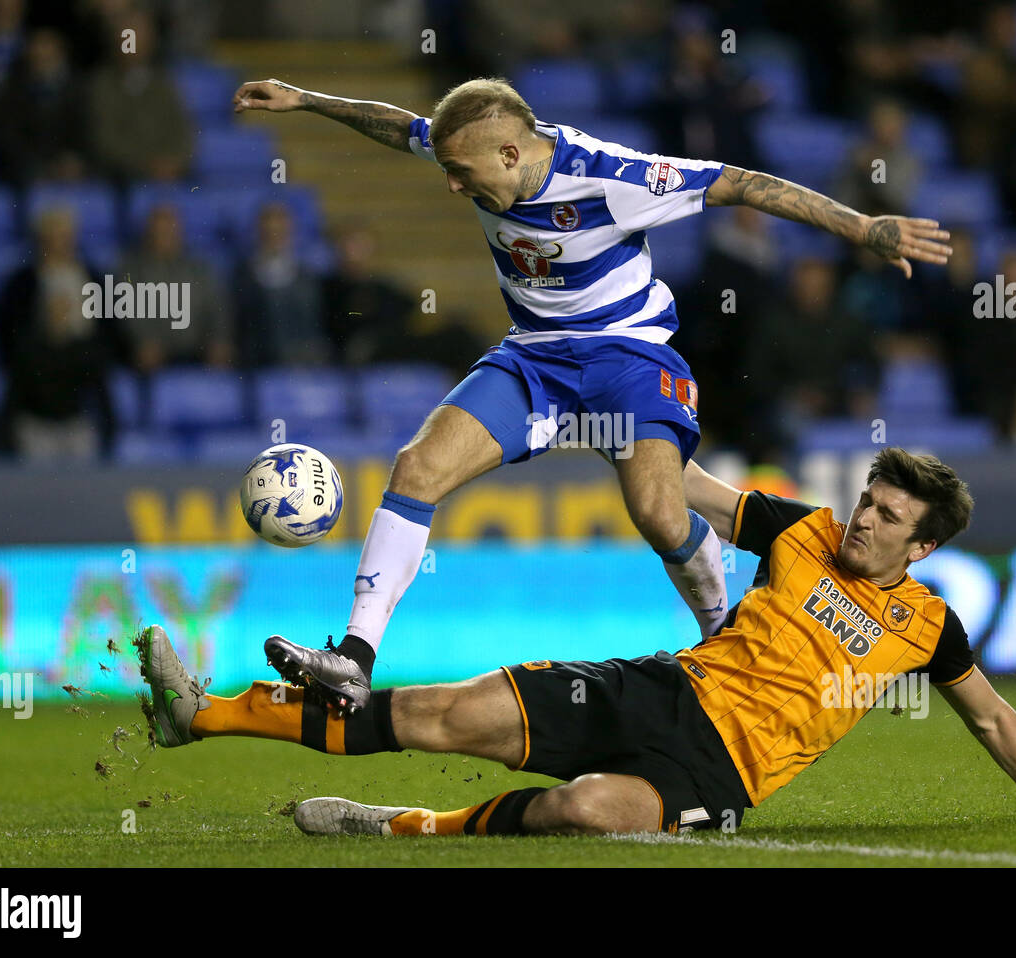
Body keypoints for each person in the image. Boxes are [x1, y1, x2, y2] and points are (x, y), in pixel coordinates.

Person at [230, 75, 953, 712]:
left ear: (511, 155)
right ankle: (354, 662)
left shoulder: (611, 176)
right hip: (535, 358)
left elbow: (737, 181)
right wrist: (306, 102)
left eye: (461, 172)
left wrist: (863, 226)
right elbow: (401, 128)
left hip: (627, 357)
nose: (452, 185)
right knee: (416, 468)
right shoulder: (473, 147)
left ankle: (722, 638)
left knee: (660, 511)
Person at [139, 448, 1016, 836]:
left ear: (922, 544)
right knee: (447, 711)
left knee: (588, 814)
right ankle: (202, 714)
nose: (861, 519)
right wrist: (622, 423)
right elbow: (682, 487)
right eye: (867, 500)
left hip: (721, 770)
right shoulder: (799, 528)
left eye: (884, 516)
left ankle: (406, 826)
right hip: (659, 689)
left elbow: (994, 718)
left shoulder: (930, 627)